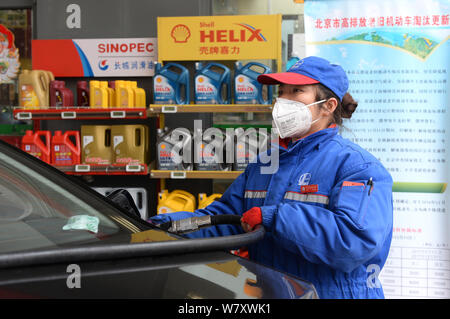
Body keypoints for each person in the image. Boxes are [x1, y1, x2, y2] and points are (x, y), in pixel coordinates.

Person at [150, 56, 393, 299]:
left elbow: (352, 242)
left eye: (297, 91)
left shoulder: (357, 167)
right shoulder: (266, 163)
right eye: (281, 92)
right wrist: (158, 227)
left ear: (328, 106)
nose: (283, 101)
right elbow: (223, 219)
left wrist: (274, 218)